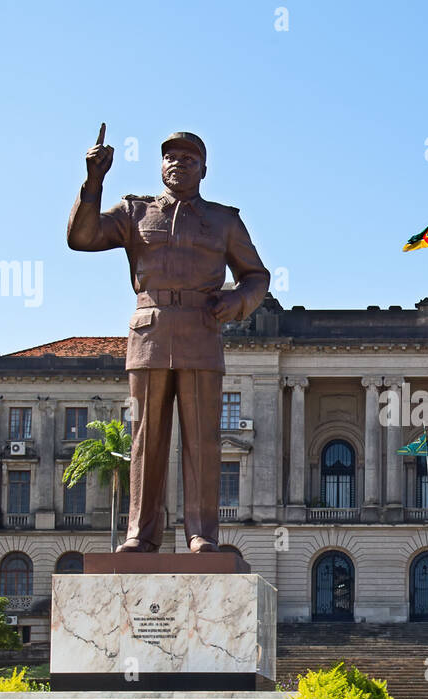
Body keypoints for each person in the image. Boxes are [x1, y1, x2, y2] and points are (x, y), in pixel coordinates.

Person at [68, 126, 271, 553]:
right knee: (146, 436)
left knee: (203, 440)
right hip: (150, 333)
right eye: (171, 157)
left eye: (189, 159)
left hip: (201, 329)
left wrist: (236, 303)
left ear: (204, 170)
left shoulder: (223, 221)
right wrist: (94, 181)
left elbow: (257, 276)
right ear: (161, 166)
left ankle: (201, 534)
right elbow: (81, 238)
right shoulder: (134, 212)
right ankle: (140, 535)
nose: (179, 164)